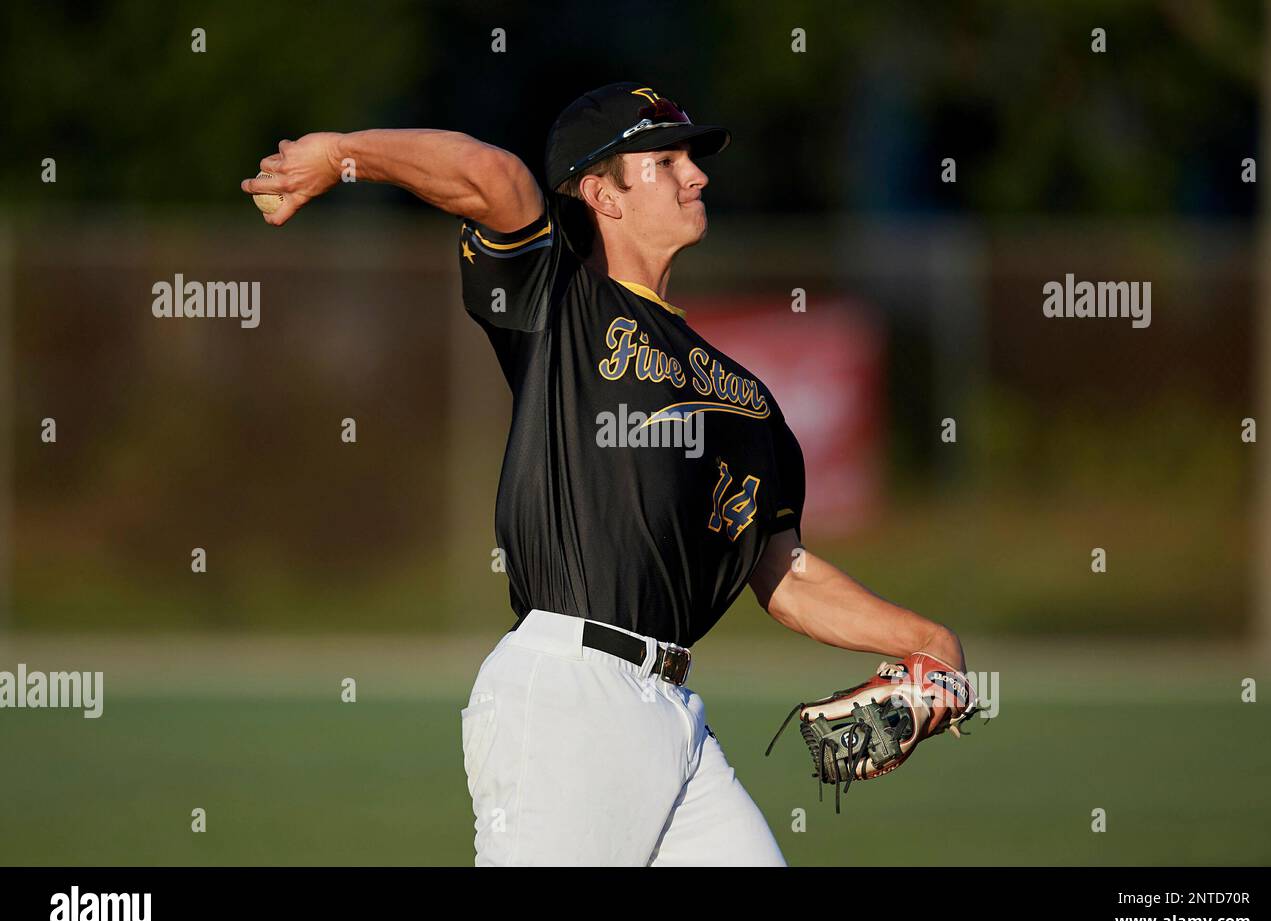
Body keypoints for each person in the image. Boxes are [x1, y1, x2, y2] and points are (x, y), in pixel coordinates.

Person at [242, 82, 966, 867]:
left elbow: (779, 570)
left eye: (691, 157)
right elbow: (495, 178)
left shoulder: (747, 401)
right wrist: (342, 154)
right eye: (666, 159)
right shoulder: (558, 301)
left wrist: (925, 639)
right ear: (601, 193)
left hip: (675, 716)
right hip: (567, 696)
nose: (697, 175)